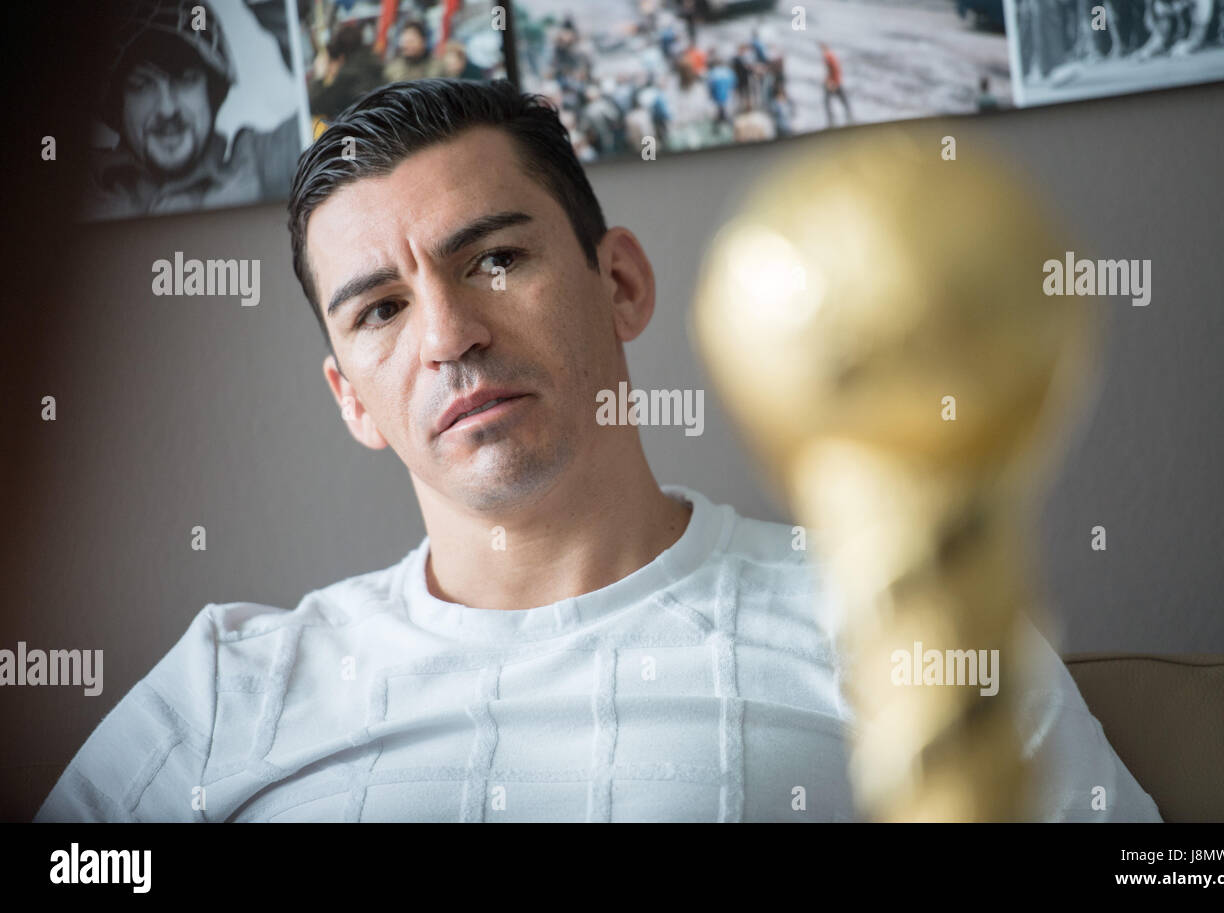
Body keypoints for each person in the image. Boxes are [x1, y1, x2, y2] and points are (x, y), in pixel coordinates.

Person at [36, 79, 1163, 823]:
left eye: (492, 260)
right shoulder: (227, 688)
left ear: (618, 282)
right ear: (352, 399)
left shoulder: (899, 605)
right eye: (379, 309)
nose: (449, 335)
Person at [84, 0, 300, 219]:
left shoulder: (260, 167)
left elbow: (332, 111)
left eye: (186, 79)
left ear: (212, 92)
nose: (167, 109)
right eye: (142, 84)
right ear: (117, 103)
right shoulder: (77, 188)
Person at [818, 41, 852, 127]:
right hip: (834, 82)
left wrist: (833, 82)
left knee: (830, 101)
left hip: (833, 83)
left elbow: (834, 70)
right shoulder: (830, 56)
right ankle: (845, 117)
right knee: (841, 100)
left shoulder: (828, 56)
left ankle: (834, 120)